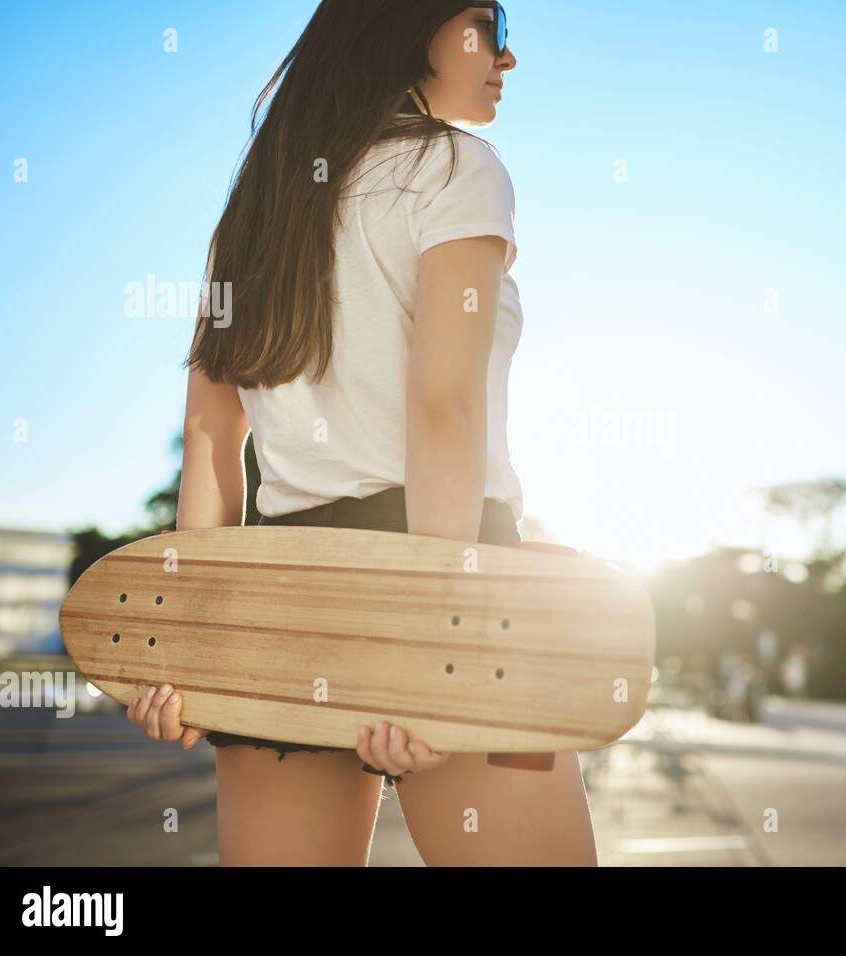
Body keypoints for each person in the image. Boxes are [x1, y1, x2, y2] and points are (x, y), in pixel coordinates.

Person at [126, 0, 597, 866]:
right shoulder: (459, 169)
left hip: (278, 599)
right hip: (451, 572)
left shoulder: (257, 214)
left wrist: (194, 639)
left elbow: (208, 431)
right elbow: (443, 406)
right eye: (489, 24)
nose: (508, 55)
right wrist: (434, 640)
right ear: (409, 25)